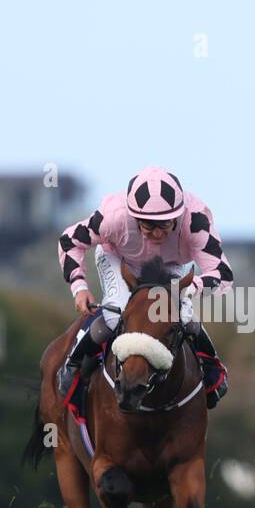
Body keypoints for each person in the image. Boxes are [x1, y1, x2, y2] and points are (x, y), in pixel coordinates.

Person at [56, 166, 232, 407]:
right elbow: (69, 241)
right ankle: (73, 362)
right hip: (119, 259)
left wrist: (191, 290)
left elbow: (222, 273)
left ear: (178, 216)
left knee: (182, 314)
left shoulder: (196, 220)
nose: (158, 234)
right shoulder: (113, 217)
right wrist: (79, 285)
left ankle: (212, 366)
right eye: (148, 226)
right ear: (133, 217)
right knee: (115, 312)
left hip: (169, 265)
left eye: (165, 225)